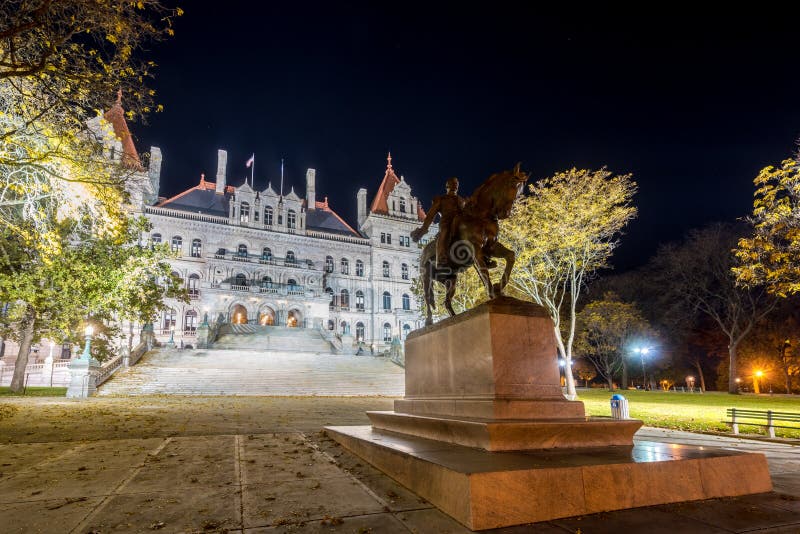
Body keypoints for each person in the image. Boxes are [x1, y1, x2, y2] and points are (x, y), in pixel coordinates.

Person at [410, 177, 465, 267]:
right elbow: (430, 215)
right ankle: (441, 256)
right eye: (453, 184)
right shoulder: (441, 199)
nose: (455, 186)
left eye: (456, 184)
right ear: (447, 186)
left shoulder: (462, 200)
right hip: (447, 222)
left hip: (459, 223)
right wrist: (424, 228)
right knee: (445, 232)